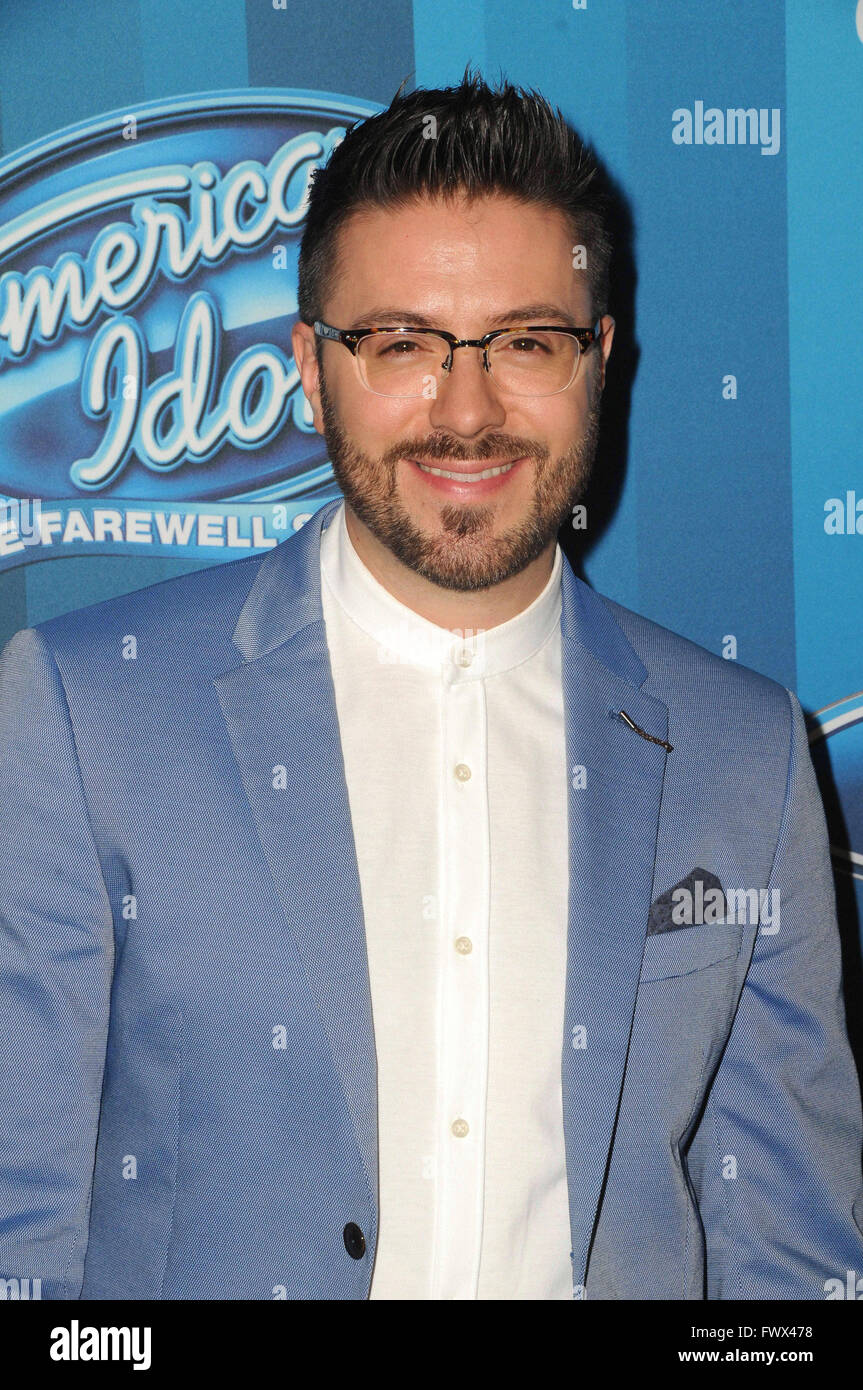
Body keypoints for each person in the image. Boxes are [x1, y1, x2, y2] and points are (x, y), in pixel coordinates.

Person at [1, 70, 862, 1301]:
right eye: (400, 343)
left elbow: (788, 1260)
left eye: (526, 342)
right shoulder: (85, 714)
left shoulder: (747, 753)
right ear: (310, 365)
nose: (467, 410)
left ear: (599, 361)